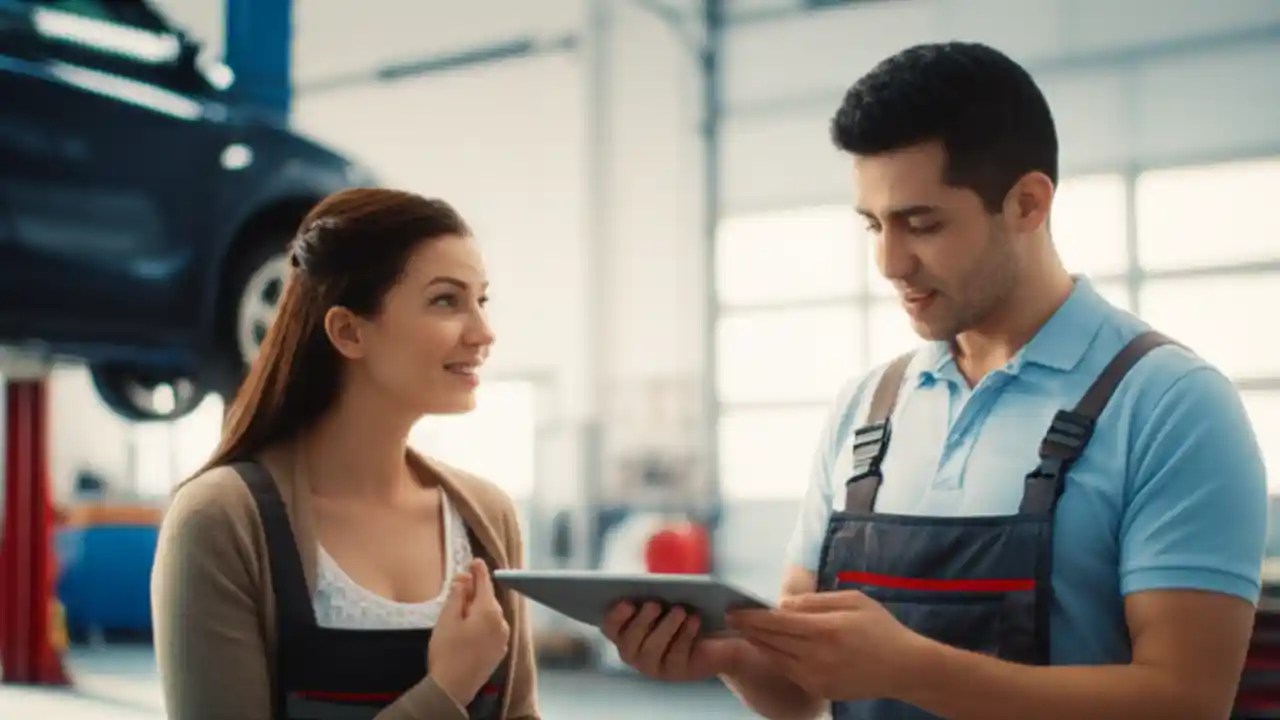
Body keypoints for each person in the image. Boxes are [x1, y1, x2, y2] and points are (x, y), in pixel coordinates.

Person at [602, 41, 1267, 719]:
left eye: (921, 224)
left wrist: (910, 669)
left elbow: (1185, 703)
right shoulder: (866, 411)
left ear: (1028, 204)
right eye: (873, 225)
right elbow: (802, 692)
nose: (889, 263)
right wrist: (731, 657)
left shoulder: (1171, 407)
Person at [151, 188, 539, 719]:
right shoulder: (221, 520)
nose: (483, 333)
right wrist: (447, 689)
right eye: (446, 300)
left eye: (481, 301)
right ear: (349, 331)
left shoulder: (488, 517)